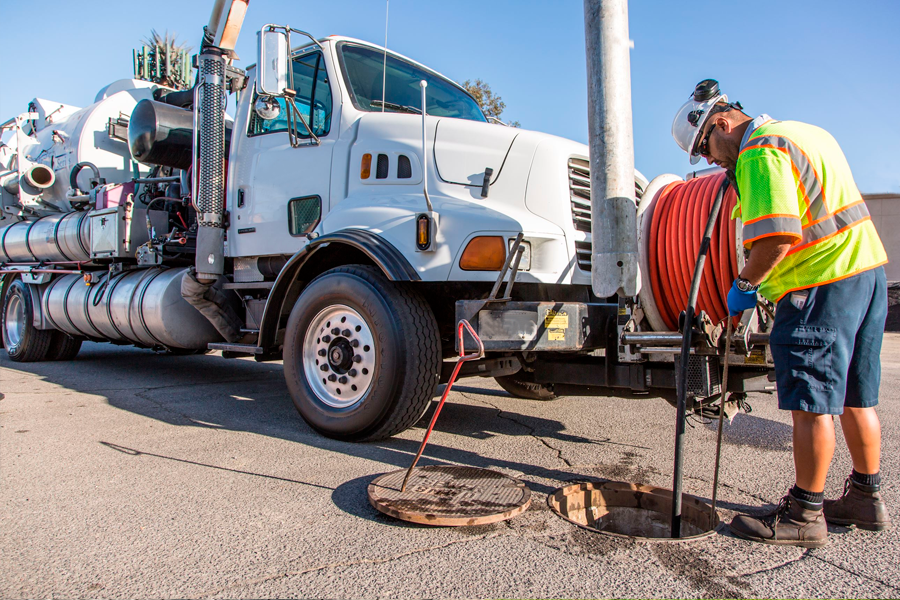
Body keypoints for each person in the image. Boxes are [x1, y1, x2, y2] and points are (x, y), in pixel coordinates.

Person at [671, 79, 890, 548]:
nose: (710, 160)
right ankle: (866, 498)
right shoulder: (804, 132)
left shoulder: (760, 151)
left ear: (722, 123)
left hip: (817, 284)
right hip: (865, 275)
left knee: (811, 402)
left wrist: (744, 286)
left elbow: (777, 236)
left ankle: (804, 516)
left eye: (705, 148)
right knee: (856, 396)